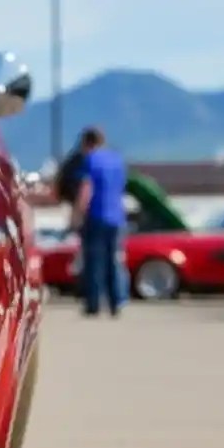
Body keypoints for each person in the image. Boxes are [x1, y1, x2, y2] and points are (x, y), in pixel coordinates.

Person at [65, 127, 128, 316]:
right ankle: (117, 301)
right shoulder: (117, 160)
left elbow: (86, 188)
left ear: (87, 143)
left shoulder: (90, 160)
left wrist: (76, 215)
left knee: (94, 262)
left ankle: (93, 304)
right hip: (116, 216)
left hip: (96, 216)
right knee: (114, 260)